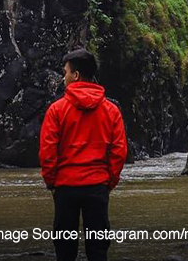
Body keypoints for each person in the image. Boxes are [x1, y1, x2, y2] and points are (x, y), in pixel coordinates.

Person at [39, 48, 127, 261]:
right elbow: (119, 151)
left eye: (66, 72)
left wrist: (52, 182)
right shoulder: (111, 110)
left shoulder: (56, 110)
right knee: (98, 249)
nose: (64, 77)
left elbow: (47, 151)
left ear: (76, 75)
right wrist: (109, 181)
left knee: (65, 250)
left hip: (65, 187)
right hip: (97, 186)